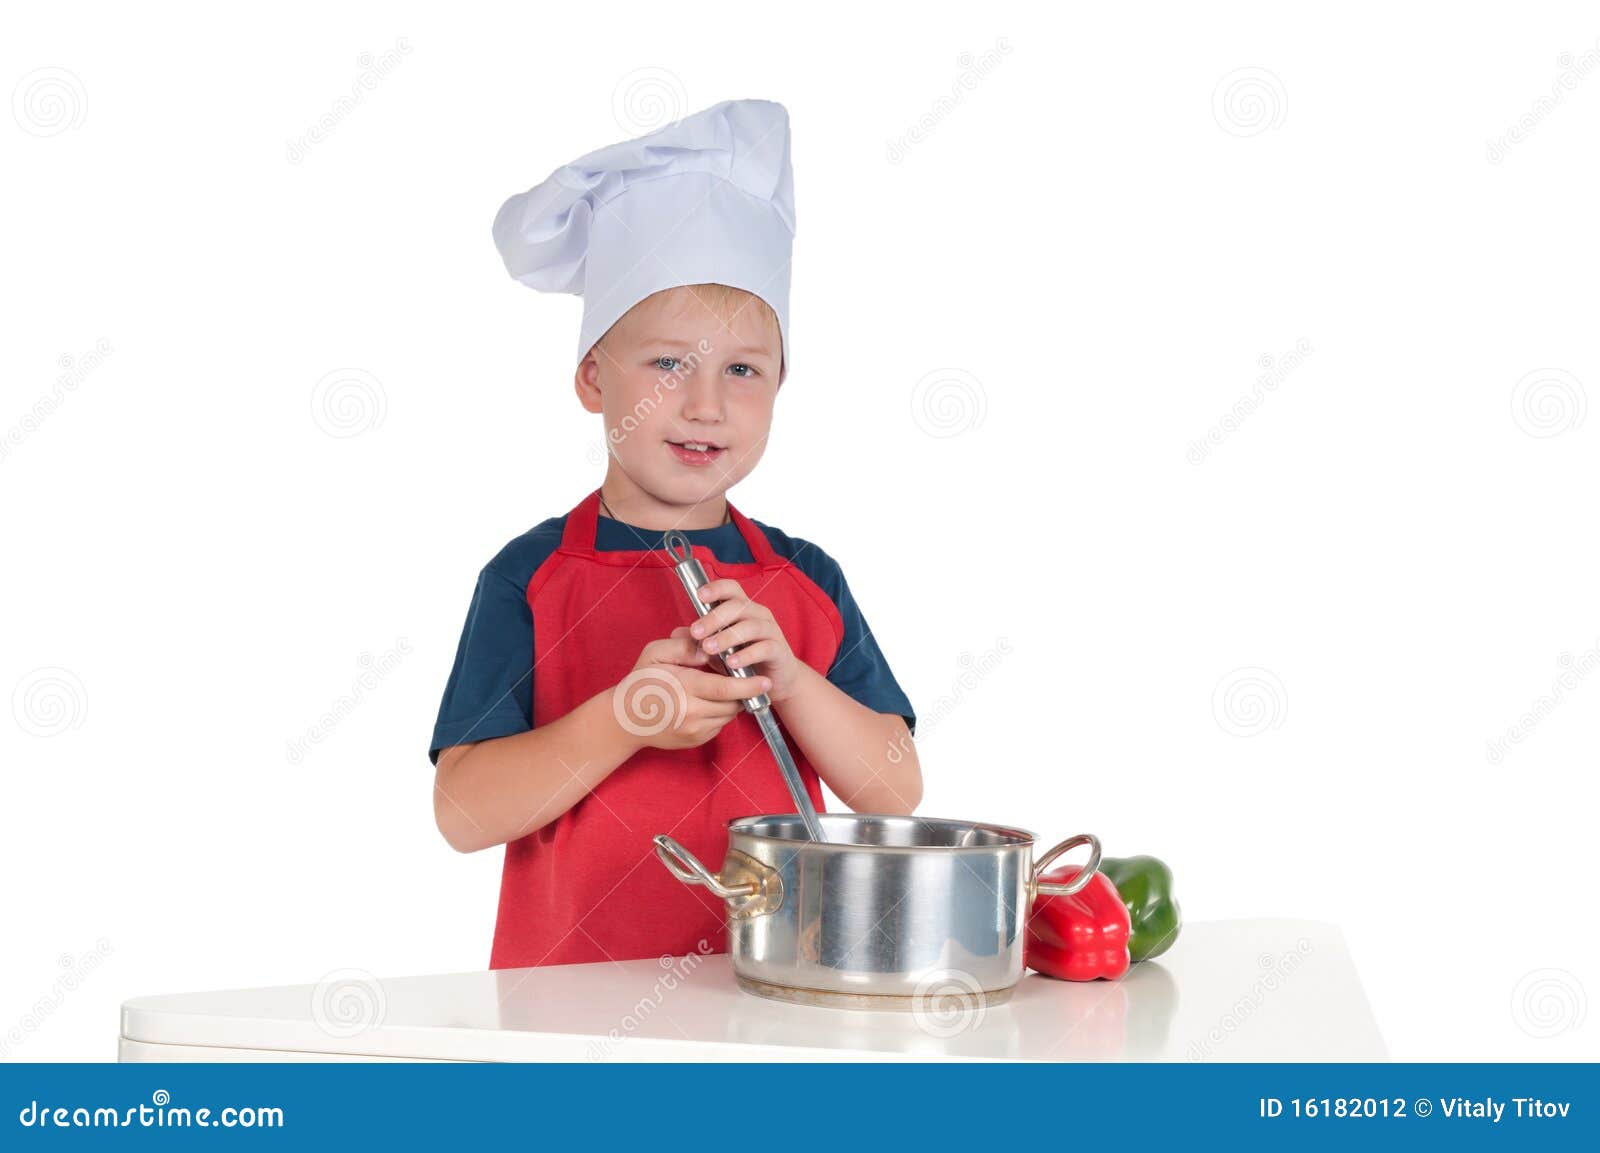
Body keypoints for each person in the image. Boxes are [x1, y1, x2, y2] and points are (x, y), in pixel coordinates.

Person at [431, 99, 921, 970]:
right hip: (565, 1012)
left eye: (743, 369)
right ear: (593, 377)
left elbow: (896, 789)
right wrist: (623, 716)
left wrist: (793, 679)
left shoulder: (806, 579)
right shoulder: (528, 576)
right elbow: (463, 814)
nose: (706, 404)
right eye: (667, 363)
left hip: (779, 996)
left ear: (780, 386)